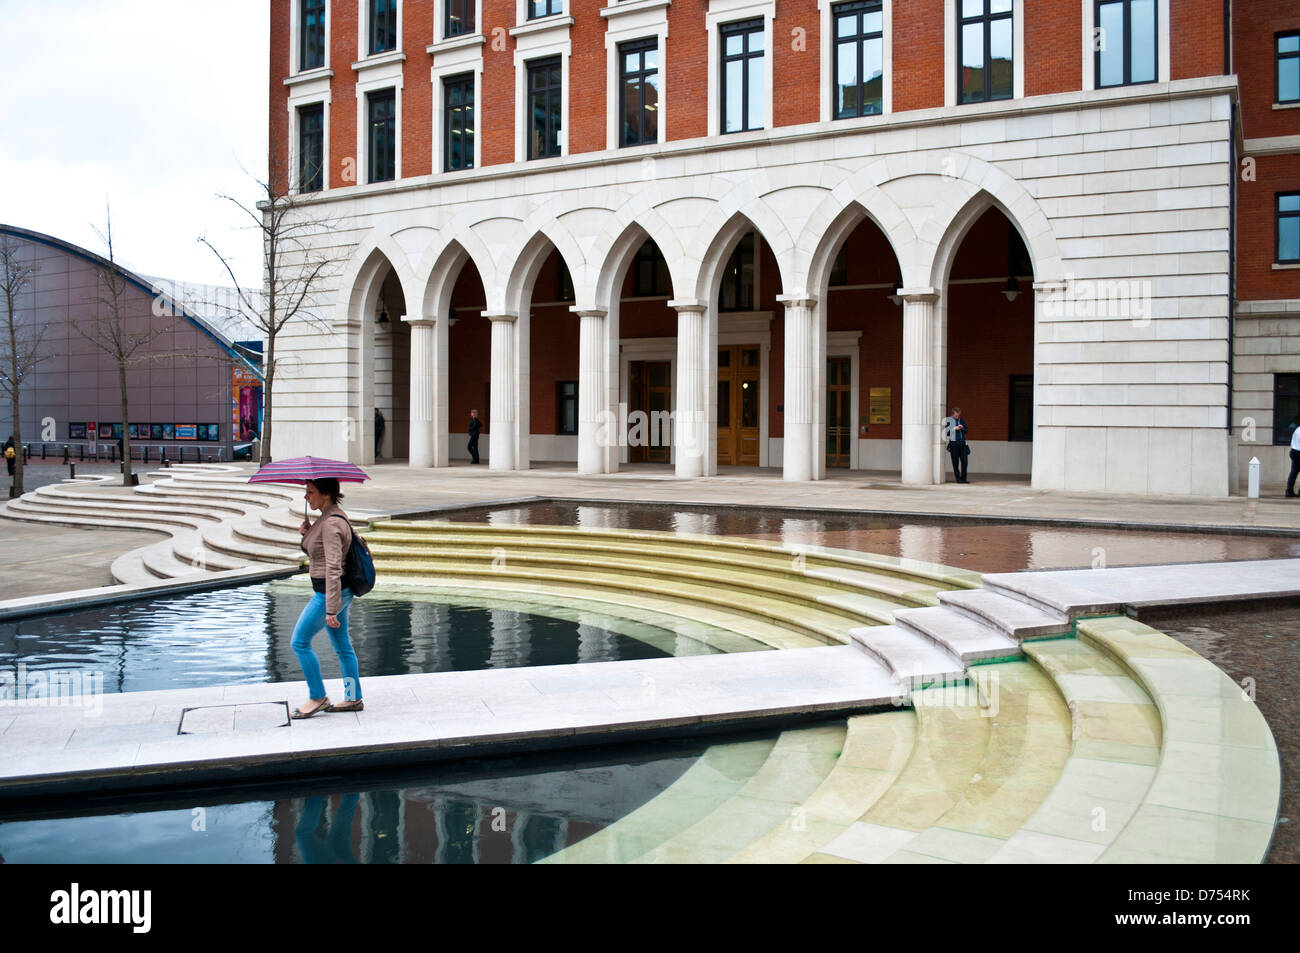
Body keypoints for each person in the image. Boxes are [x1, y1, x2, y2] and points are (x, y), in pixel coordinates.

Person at [291, 477, 364, 717]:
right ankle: (352, 697)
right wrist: (308, 534)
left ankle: (317, 696)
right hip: (340, 592)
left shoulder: (331, 523)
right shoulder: (330, 517)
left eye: (310, 491)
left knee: (299, 642)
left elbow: (333, 566)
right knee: (343, 647)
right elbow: (322, 554)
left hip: (329, 594)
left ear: (326, 494)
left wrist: (331, 609)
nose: (306, 496)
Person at [947, 406, 970, 484]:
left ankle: (964, 478)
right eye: (956, 415)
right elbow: (947, 433)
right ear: (953, 414)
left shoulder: (961, 420)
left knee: (964, 461)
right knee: (955, 462)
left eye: (958, 415)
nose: (957, 417)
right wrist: (954, 429)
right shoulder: (949, 421)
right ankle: (958, 479)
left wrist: (962, 427)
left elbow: (966, 431)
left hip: (962, 443)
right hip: (954, 443)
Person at [1287, 419, 1300, 498]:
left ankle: (1289, 491)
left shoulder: (1297, 429)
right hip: (1298, 452)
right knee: (1294, 472)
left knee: (1294, 472)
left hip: (1294, 451)